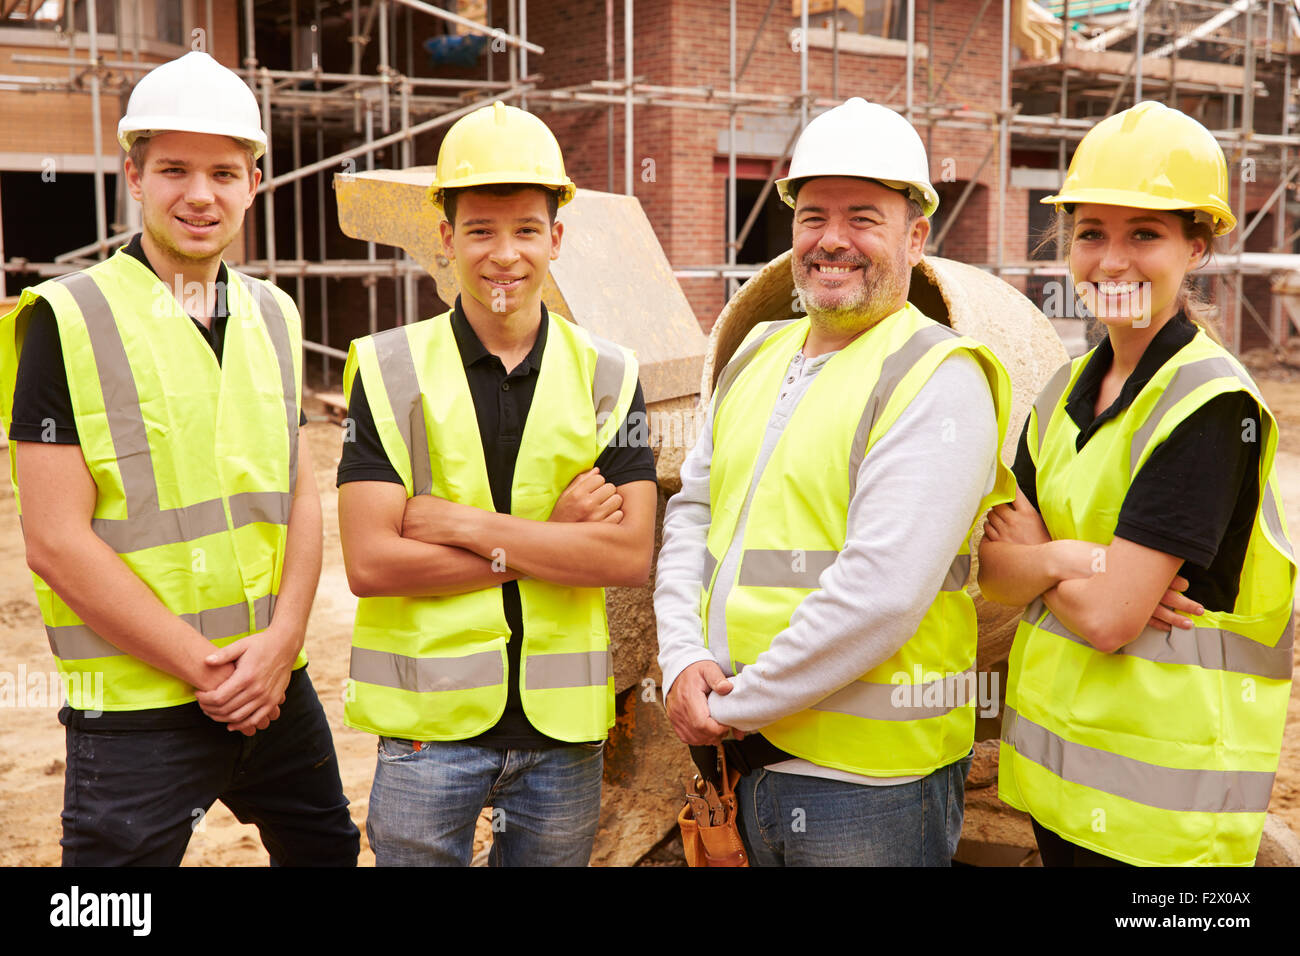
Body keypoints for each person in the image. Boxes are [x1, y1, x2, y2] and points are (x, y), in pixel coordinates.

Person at [0, 51, 359, 865]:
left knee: (327, 853)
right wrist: (210, 670)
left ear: (255, 184)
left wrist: (283, 644)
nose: (200, 195)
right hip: (137, 701)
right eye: (174, 170)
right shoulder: (65, 319)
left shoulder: (273, 312)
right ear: (133, 175)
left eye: (224, 173)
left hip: (272, 679)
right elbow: (55, 540)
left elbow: (299, 491)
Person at [654, 97, 1016, 867]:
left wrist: (731, 707)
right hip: (739, 763)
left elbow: (879, 593)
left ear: (916, 236)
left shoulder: (938, 376)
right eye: (813, 215)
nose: (832, 241)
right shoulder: (755, 352)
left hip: (868, 791)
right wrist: (681, 657)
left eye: (863, 217)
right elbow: (691, 515)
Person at [337, 101, 657, 867]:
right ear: (445, 238)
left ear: (557, 237)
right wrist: (555, 533)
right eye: (480, 230)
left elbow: (625, 557)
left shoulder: (611, 375)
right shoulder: (387, 371)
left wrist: (466, 525)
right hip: (427, 732)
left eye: (525, 230)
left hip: (563, 738)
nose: (504, 255)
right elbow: (371, 566)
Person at [979, 101, 1296, 867]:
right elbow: (993, 571)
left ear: (1198, 247)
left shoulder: (1208, 407)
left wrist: (1047, 555)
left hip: (1164, 826)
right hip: (1060, 794)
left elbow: (1113, 621)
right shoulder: (1060, 392)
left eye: (1144, 235)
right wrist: (1080, 563)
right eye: (1091, 233)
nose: (1111, 262)